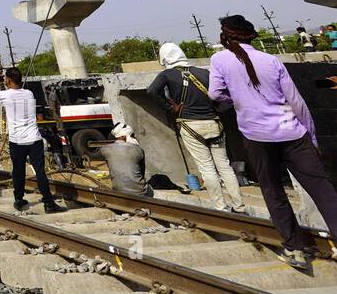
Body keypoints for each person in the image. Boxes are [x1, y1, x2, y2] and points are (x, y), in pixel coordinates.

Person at [209, 14, 337, 269]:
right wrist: (311, 137)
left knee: (274, 191)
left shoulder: (219, 59)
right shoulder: (271, 60)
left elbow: (215, 94)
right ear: (250, 36)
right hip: (293, 133)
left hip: (257, 137)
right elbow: (297, 102)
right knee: (323, 191)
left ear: (225, 37)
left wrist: (236, 99)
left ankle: (295, 249)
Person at [147, 42, 246, 213]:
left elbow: (152, 91)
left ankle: (220, 208)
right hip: (214, 123)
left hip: (190, 125)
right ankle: (239, 206)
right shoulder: (204, 73)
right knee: (224, 166)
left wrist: (171, 108)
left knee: (206, 167)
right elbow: (220, 93)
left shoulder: (167, 75)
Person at [0, 68, 63, 213]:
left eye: (5, 78)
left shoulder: (3, 95)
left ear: (8, 80)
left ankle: (19, 199)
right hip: (34, 139)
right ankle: (48, 202)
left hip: (17, 141)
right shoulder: (29, 93)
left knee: (18, 171)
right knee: (40, 171)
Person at [96, 124, 154, 197]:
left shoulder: (104, 150)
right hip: (140, 193)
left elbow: (112, 169)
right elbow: (142, 173)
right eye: (132, 135)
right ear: (124, 135)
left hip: (118, 190)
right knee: (150, 189)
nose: (133, 137)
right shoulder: (139, 150)